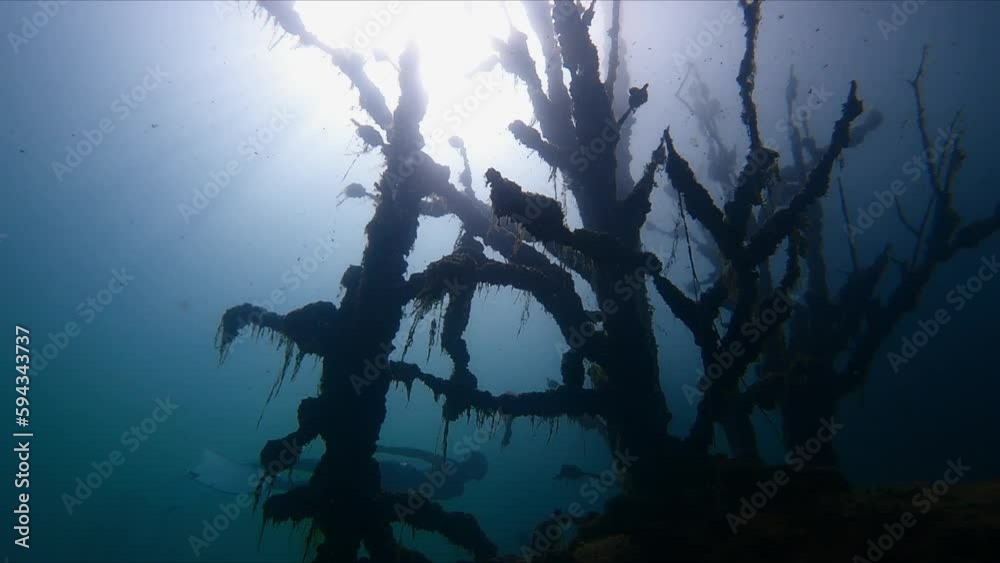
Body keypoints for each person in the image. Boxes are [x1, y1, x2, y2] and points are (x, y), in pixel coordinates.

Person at [186, 445, 487, 500]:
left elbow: (418, 455)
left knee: (326, 471)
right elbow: (418, 499)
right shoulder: (455, 487)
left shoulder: (452, 472)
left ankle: (267, 469)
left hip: (387, 475)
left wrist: (383, 448)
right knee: (327, 483)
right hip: (384, 482)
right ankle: (272, 479)